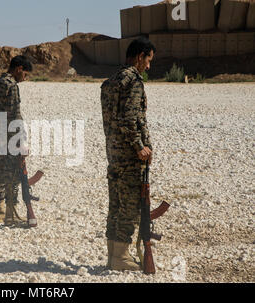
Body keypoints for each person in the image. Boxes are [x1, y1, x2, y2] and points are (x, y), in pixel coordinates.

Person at [100, 37, 155, 271]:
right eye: (148, 60)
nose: (149, 66)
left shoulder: (112, 81)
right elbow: (130, 118)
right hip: (130, 156)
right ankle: (121, 257)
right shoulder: (132, 81)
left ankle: (114, 254)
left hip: (114, 153)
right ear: (139, 56)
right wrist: (139, 146)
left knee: (116, 203)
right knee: (130, 205)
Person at [0, 55, 32, 225]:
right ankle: (10, 213)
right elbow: (15, 115)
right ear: (19, 69)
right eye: (25, 74)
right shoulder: (11, 86)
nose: (25, 78)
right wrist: (22, 140)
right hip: (12, 136)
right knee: (13, 173)